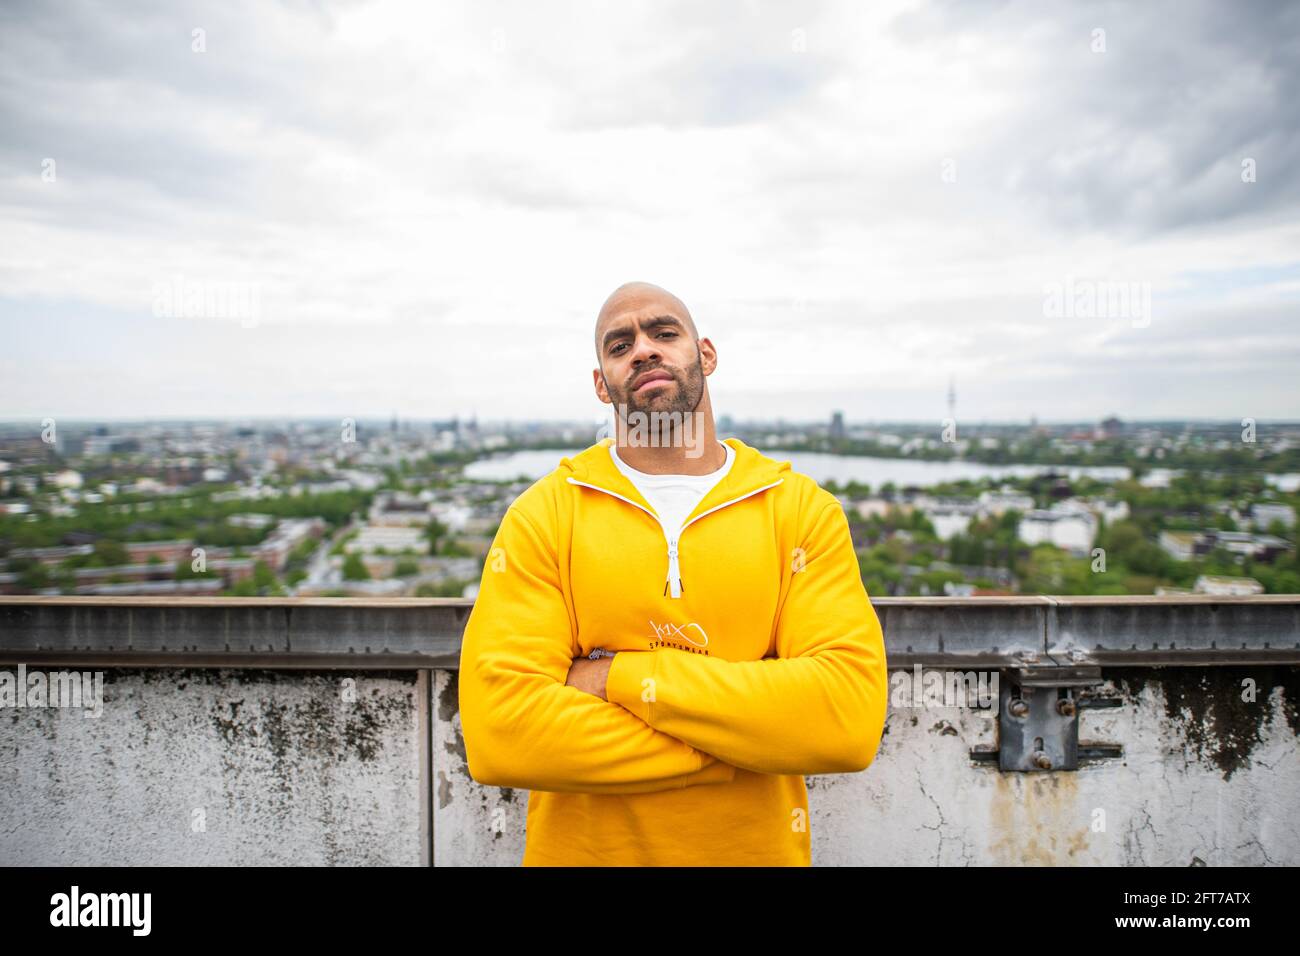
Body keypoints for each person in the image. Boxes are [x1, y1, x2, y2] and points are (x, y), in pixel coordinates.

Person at [457, 281, 888, 865]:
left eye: (664, 333)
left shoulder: (800, 511)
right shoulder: (545, 516)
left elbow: (845, 719)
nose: (643, 350)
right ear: (600, 383)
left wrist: (616, 679)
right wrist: (743, 737)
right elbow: (501, 736)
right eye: (619, 345)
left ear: (705, 355)